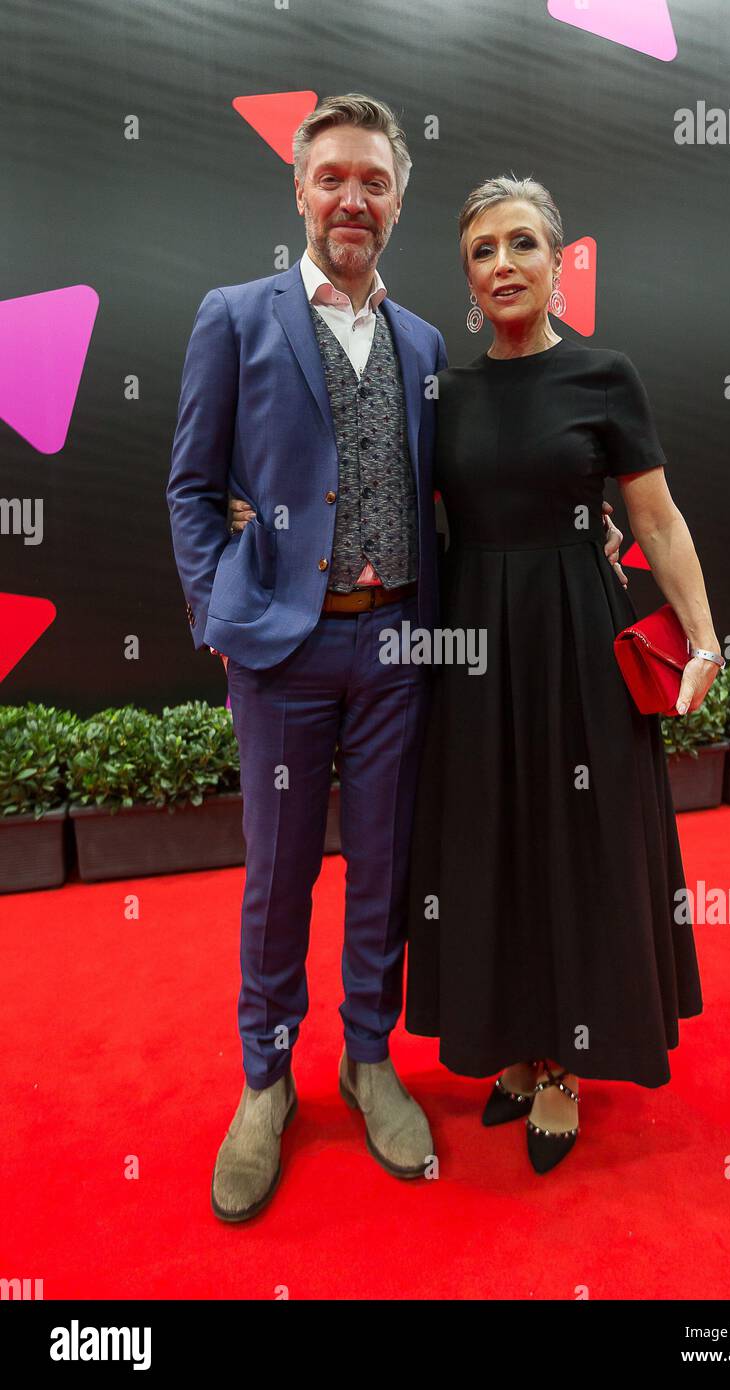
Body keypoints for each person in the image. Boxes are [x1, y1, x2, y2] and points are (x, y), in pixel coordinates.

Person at [167, 94, 456, 1222]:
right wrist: (216, 613)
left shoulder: (425, 341)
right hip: (281, 656)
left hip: (395, 643)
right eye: (331, 175)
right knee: (278, 873)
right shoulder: (234, 316)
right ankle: (265, 1078)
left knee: (383, 867)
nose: (352, 197)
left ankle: (368, 1058)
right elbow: (192, 487)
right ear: (298, 188)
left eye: (372, 181)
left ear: (395, 201)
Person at [402, 175, 723, 1173]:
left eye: (519, 246)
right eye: (481, 254)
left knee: (571, 833)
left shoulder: (603, 376)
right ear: (468, 278)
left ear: (555, 263)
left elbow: (655, 519)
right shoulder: (442, 390)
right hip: (470, 642)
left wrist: (703, 635)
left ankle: (563, 1063)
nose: (501, 266)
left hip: (575, 635)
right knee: (488, 834)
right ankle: (509, 1038)